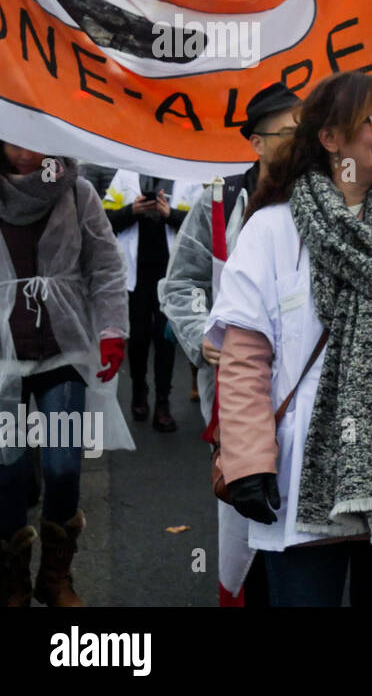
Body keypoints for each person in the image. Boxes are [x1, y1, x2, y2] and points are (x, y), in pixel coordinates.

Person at [205, 71, 372, 607]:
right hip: (303, 480)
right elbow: (245, 359)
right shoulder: (272, 229)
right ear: (329, 139)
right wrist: (248, 460)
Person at [158, 81, 301, 606]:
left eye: (305, 131)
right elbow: (180, 283)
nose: (297, 141)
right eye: (285, 133)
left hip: (306, 387)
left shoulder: (326, 203)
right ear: (256, 143)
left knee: (299, 517)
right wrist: (202, 337)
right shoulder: (218, 203)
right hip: (237, 392)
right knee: (246, 509)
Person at [0, 146, 130, 607]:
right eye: (12, 137)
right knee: (9, 470)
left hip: (63, 349)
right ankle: (12, 580)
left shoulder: (76, 191)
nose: (23, 150)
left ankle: (56, 577)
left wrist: (112, 329)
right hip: (3, 357)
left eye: (32, 137)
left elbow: (106, 265)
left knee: (62, 466)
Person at [103, 170, 201, 431]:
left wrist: (171, 215)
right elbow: (105, 222)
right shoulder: (124, 176)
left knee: (165, 338)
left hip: (171, 276)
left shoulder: (188, 179)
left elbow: (203, 226)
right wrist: (132, 210)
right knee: (137, 338)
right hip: (134, 276)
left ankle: (162, 403)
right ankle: (138, 389)